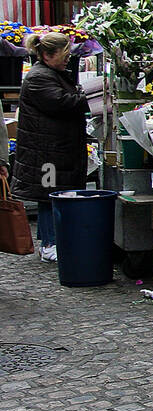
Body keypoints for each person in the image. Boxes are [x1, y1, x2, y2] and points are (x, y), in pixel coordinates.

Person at [10, 32, 89, 262]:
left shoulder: (51, 73)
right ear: (46, 55)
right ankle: (49, 244)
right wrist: (86, 96)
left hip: (53, 149)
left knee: (52, 194)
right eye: (64, 55)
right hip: (45, 153)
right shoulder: (39, 78)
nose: (68, 59)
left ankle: (51, 240)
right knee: (49, 195)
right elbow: (62, 103)